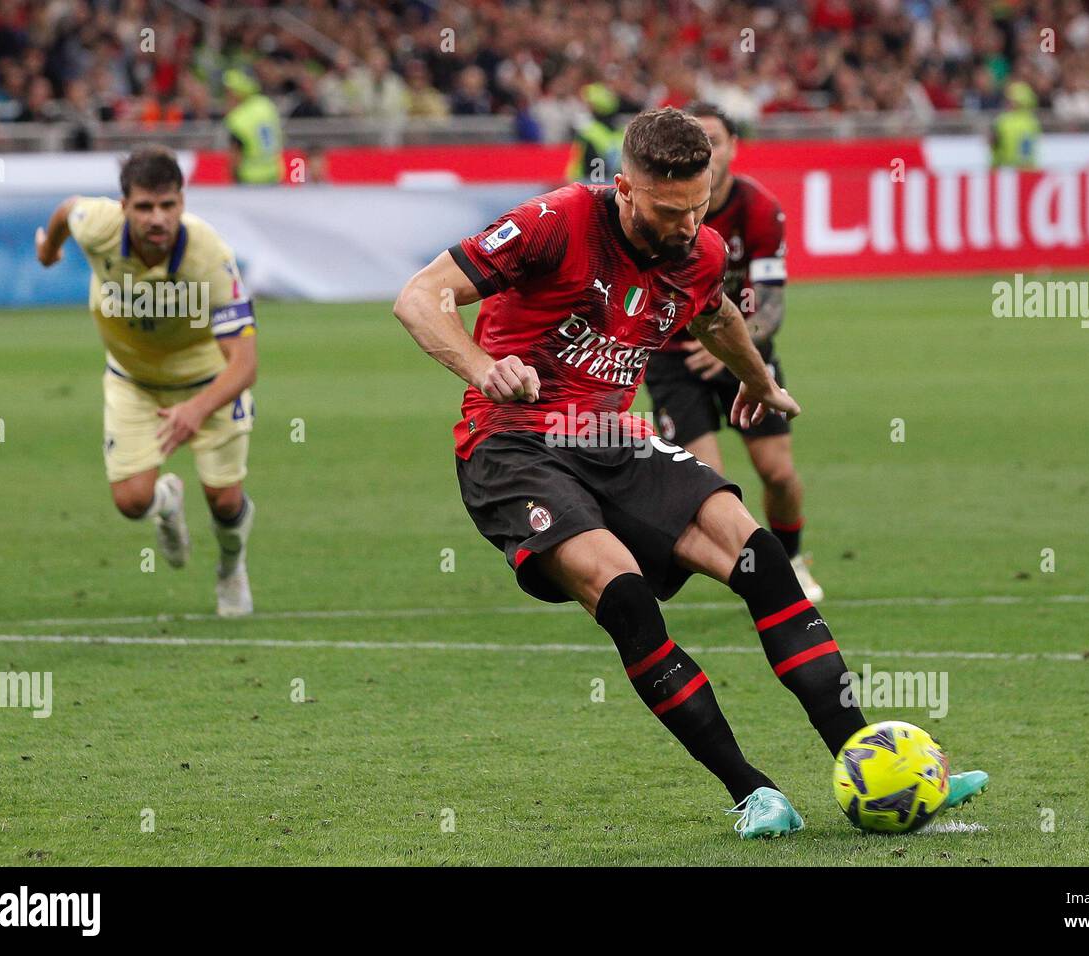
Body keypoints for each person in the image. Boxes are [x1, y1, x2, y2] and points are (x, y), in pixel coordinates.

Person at [394, 107, 987, 837]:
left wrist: (759, 380)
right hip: (513, 449)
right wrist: (483, 367)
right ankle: (752, 792)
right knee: (629, 601)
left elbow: (714, 315)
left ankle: (868, 759)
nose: (684, 227)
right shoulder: (555, 220)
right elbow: (419, 296)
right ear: (625, 190)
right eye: (669, 211)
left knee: (761, 557)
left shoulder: (698, 249)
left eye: (697, 208)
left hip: (611, 437)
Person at [34, 146, 258, 617]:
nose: (157, 218)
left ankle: (230, 567)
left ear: (182, 202)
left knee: (224, 499)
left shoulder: (210, 256)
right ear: (123, 207)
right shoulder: (97, 226)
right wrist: (49, 249)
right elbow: (64, 211)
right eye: (144, 207)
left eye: (167, 205)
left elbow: (244, 364)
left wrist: (196, 410)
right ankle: (167, 504)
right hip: (132, 380)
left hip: (207, 382)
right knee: (132, 501)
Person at [645, 101, 823, 603]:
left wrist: (732, 349)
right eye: (696, 139)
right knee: (706, 487)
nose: (706, 149)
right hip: (674, 359)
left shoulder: (759, 209)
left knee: (779, 473)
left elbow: (771, 307)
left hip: (745, 354)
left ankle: (790, 558)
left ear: (733, 147)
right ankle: (761, 579)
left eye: (716, 140)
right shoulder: (659, 206)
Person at [223, 69, 283, 184]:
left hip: (250, 178)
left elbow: (235, 155)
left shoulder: (238, 116)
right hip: (274, 173)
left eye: (229, 93)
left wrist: (233, 178)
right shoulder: (266, 105)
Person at [990, 80, 1041, 169]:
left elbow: (994, 142)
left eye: (1010, 100)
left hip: (1008, 168)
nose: (1007, 103)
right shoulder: (1032, 121)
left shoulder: (1003, 120)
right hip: (1024, 168)